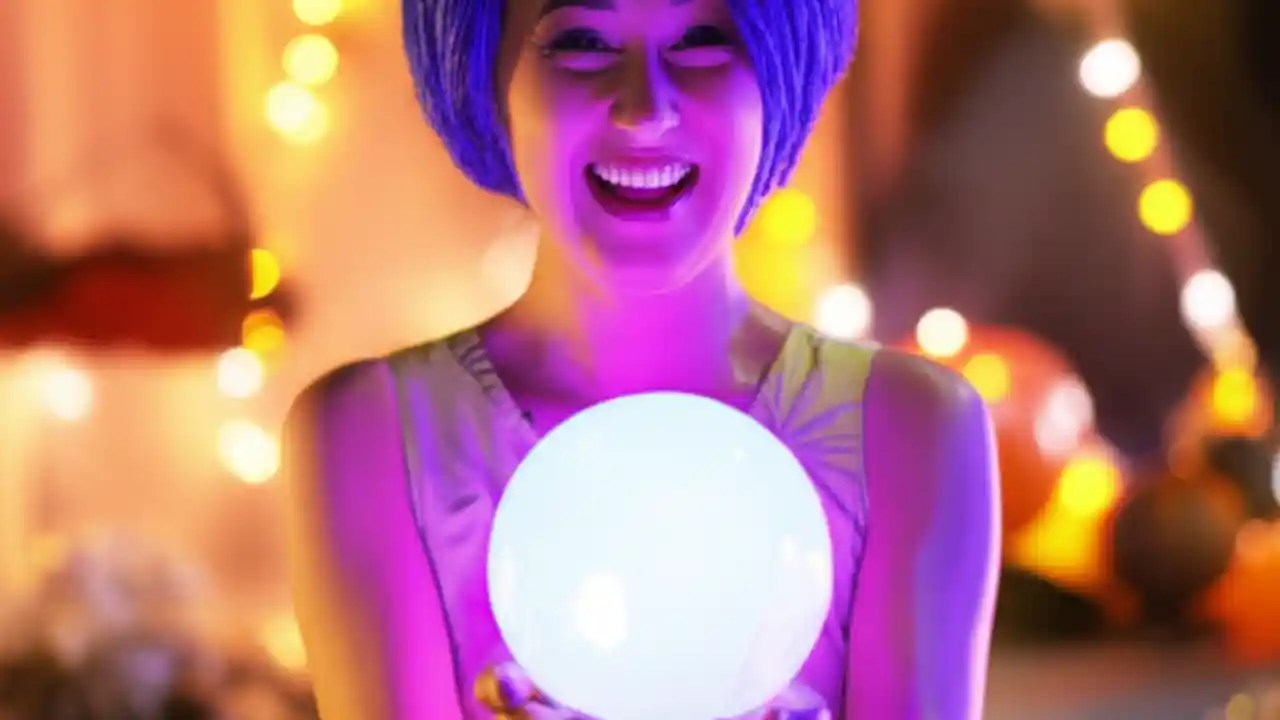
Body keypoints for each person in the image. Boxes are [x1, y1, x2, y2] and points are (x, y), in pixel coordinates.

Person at [284, 0, 1001, 718]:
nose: (644, 110)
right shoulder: (374, 434)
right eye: (583, 42)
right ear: (483, 76)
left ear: (776, 69)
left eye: (701, 40)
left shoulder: (909, 430)